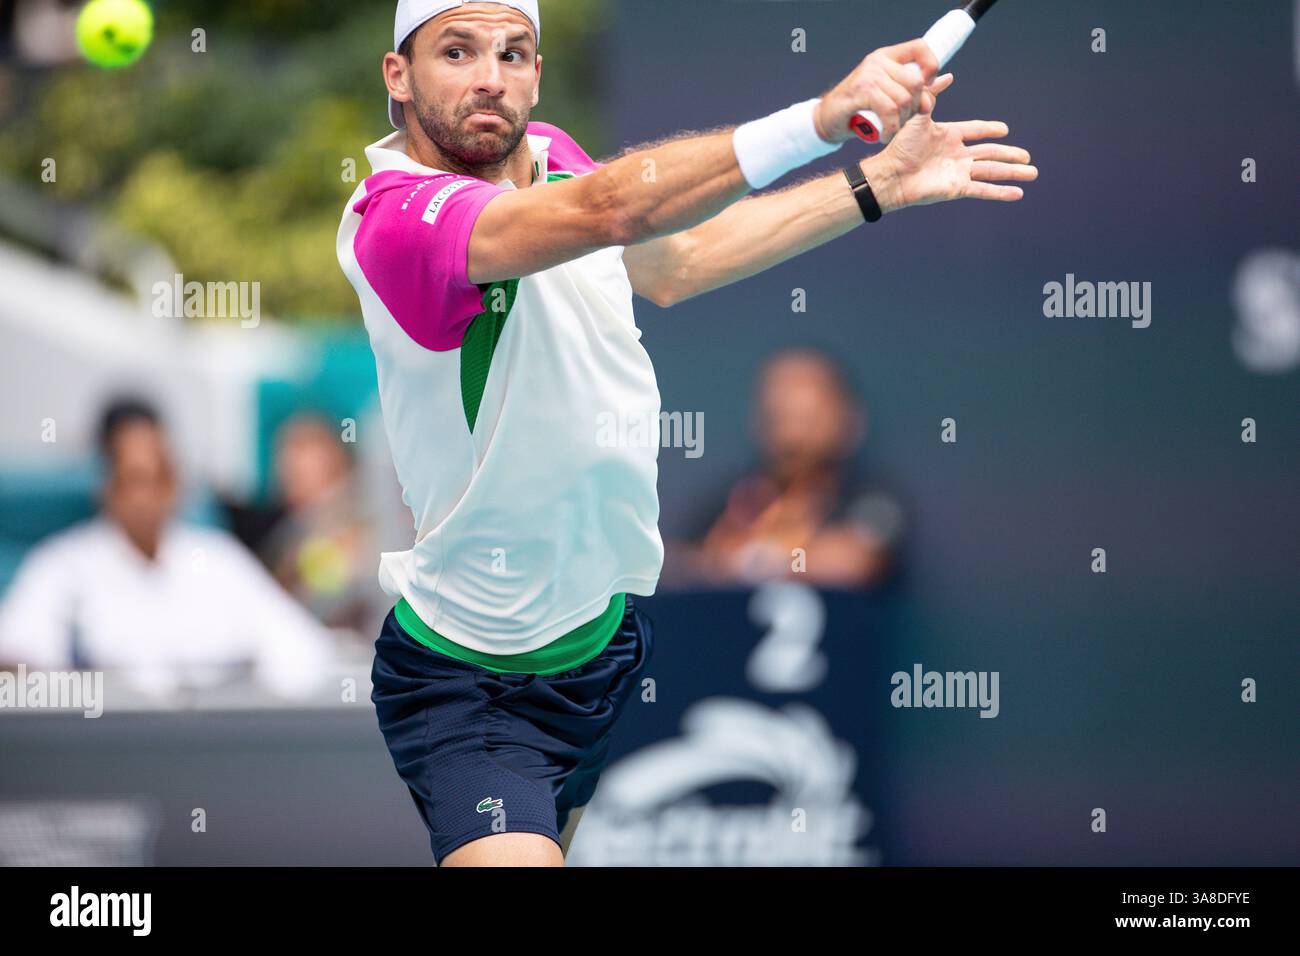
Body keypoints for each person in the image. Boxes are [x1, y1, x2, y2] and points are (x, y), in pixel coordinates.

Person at [337, 0, 1036, 866]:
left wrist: (876, 185)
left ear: (539, 73)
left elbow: (680, 259)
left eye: (514, 52)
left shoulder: (551, 157)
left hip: (604, 648)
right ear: (397, 77)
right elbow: (613, 212)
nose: (491, 75)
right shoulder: (397, 219)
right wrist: (822, 120)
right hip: (475, 680)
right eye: (458, 50)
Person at [0, 398, 335, 701]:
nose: (147, 497)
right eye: (135, 479)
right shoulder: (62, 566)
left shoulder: (219, 560)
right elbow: (21, 658)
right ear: (108, 486)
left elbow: (302, 650)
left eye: (159, 478)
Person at [667, 348, 904, 589]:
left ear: (846, 418)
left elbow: (855, 560)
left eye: (808, 420)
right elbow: (681, 561)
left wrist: (753, 561)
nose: (794, 439)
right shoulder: (735, 496)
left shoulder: (870, 495)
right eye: (781, 418)